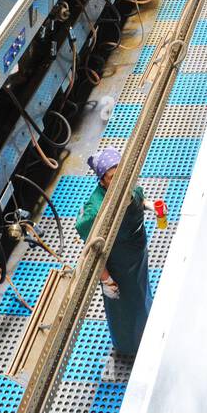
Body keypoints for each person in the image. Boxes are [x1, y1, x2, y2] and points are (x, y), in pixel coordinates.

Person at [76, 148, 152, 362]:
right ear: (102, 181)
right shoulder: (96, 211)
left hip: (137, 257)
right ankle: (130, 347)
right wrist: (106, 280)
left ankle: (148, 328)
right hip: (119, 269)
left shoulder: (127, 186)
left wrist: (149, 206)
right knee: (125, 309)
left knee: (142, 294)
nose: (118, 180)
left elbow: (137, 198)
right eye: (111, 177)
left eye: (120, 173)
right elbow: (93, 249)